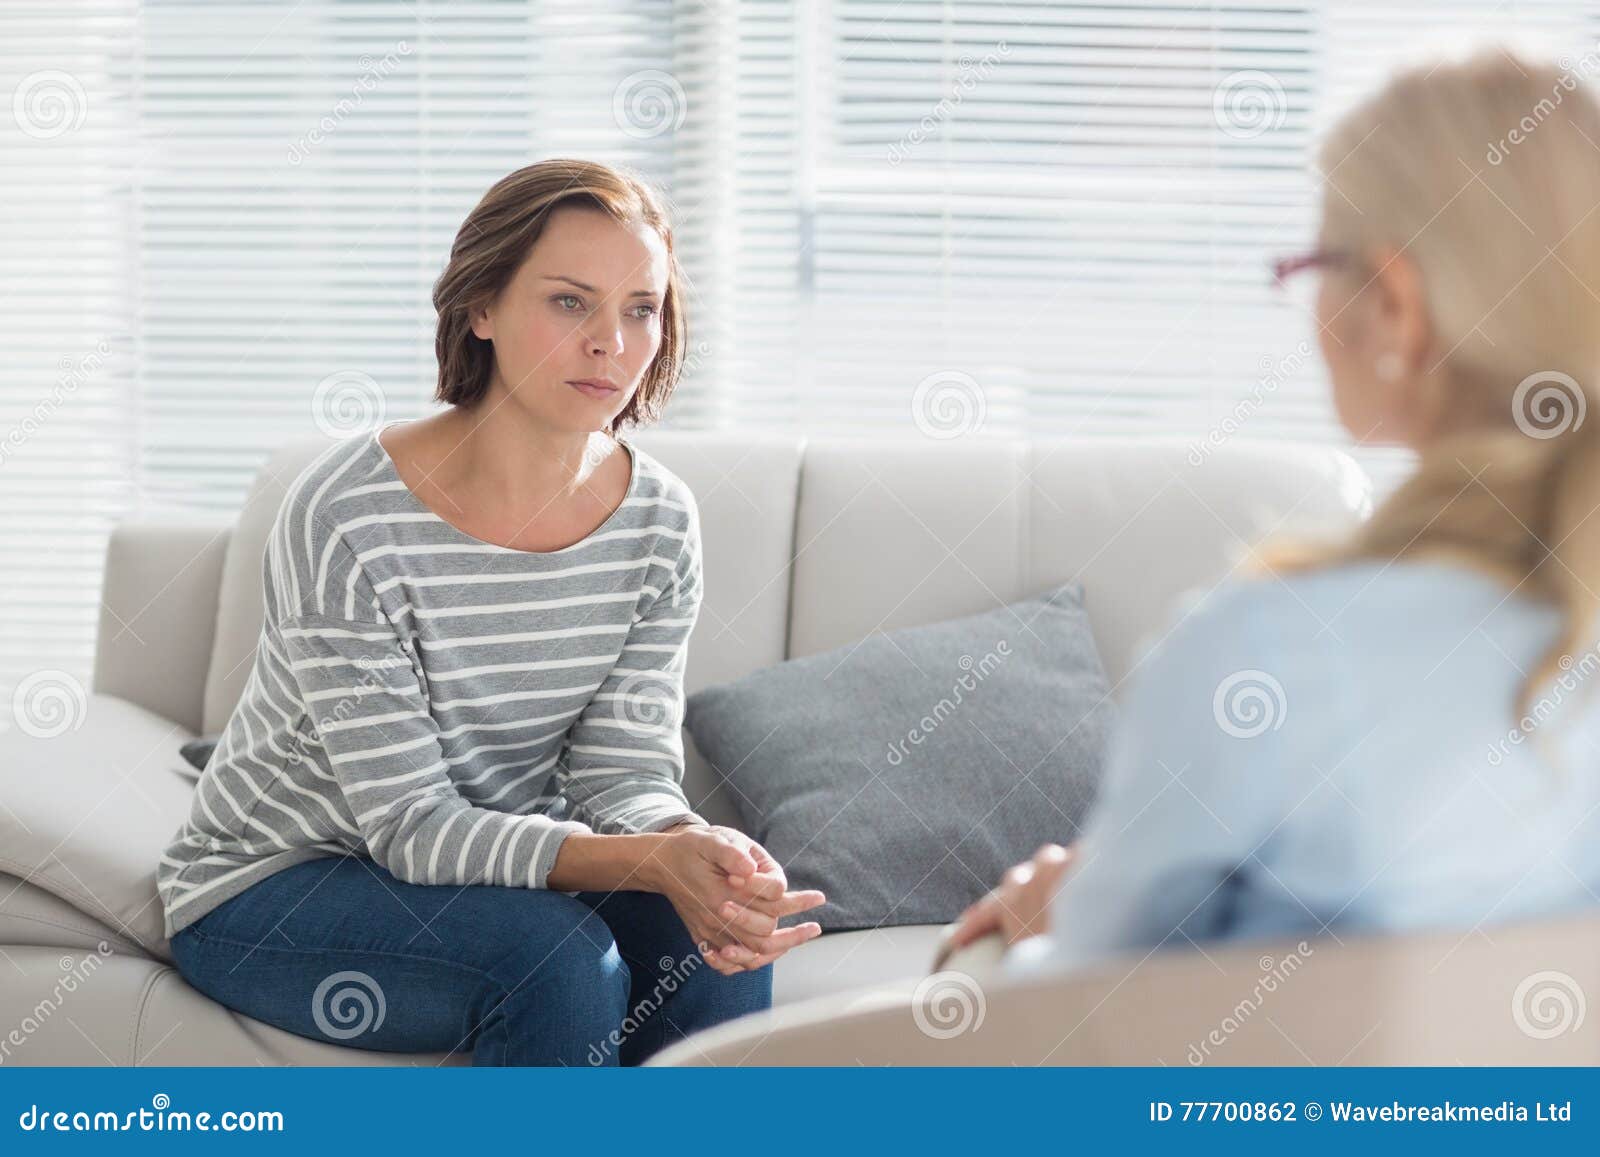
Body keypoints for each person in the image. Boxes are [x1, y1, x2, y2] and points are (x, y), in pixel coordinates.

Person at [948, 50, 1600, 980]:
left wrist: (1042, 923)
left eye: (1317, 264)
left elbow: (1082, 1022)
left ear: (1396, 308)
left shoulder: (1266, 652)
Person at [157, 159, 824, 1065]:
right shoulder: (347, 513)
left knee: (707, 936)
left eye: (641, 308)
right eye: (569, 302)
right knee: (555, 962)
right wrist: (644, 862)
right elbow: (410, 824)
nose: (611, 342)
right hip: (278, 882)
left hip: (491, 874)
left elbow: (620, 769)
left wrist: (690, 846)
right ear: (482, 307)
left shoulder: (658, 522)